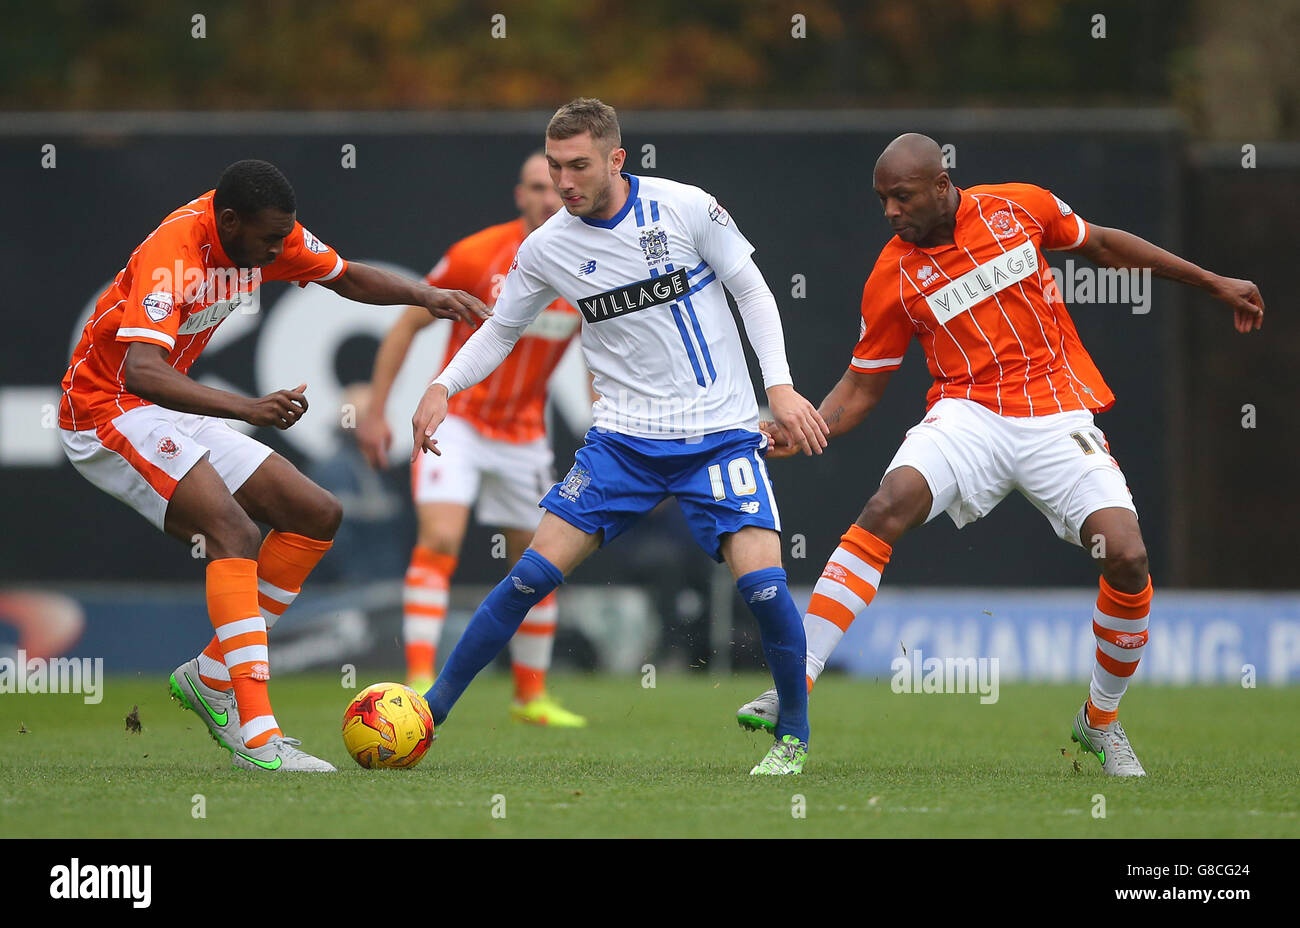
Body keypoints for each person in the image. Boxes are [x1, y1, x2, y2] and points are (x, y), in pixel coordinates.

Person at [737, 133, 1265, 777]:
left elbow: (1100, 245)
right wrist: (808, 428)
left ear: (941, 184)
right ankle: (798, 684)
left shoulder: (1019, 208)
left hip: (1057, 412)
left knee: (1126, 555)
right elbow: (864, 387)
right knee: (887, 504)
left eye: (901, 197)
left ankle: (1100, 721)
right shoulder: (892, 275)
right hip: (968, 415)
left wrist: (1211, 282)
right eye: (882, 200)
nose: (890, 212)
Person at [410, 98, 829, 775]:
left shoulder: (686, 208)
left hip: (717, 434)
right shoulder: (547, 246)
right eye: (553, 167)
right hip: (622, 444)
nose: (564, 183)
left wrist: (776, 387)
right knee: (526, 579)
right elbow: (499, 330)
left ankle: (794, 738)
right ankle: (428, 714)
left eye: (578, 167)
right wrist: (441, 387)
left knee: (763, 588)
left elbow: (752, 291)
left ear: (616, 160)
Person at [58, 159, 487, 772]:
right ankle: (257, 735)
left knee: (315, 512)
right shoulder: (174, 251)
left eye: (283, 236)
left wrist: (423, 295)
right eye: (268, 239)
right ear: (228, 222)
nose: (279, 249)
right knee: (234, 534)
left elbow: (345, 277)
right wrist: (248, 408)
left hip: (162, 403)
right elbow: (141, 373)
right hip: (105, 411)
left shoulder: (265, 235)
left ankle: (211, 675)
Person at [358, 151, 588, 726]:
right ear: (519, 194)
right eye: (537, 186)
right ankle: (415, 682)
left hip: (524, 433)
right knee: (439, 538)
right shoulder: (476, 254)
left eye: (555, 187)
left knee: (539, 559)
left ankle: (529, 695)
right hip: (457, 420)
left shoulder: (591, 262)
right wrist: (377, 409)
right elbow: (409, 320)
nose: (547, 197)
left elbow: (599, 352)